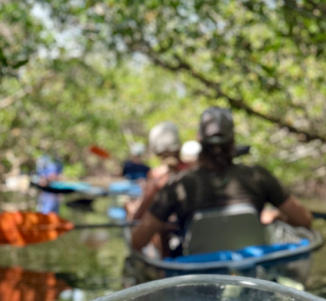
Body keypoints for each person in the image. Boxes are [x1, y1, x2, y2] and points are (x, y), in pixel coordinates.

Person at [131, 107, 312, 251]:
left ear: (199, 140)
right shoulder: (259, 176)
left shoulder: (178, 185)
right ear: (233, 139)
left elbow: (138, 241)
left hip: (196, 282)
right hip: (249, 275)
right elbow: (304, 220)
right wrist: (276, 215)